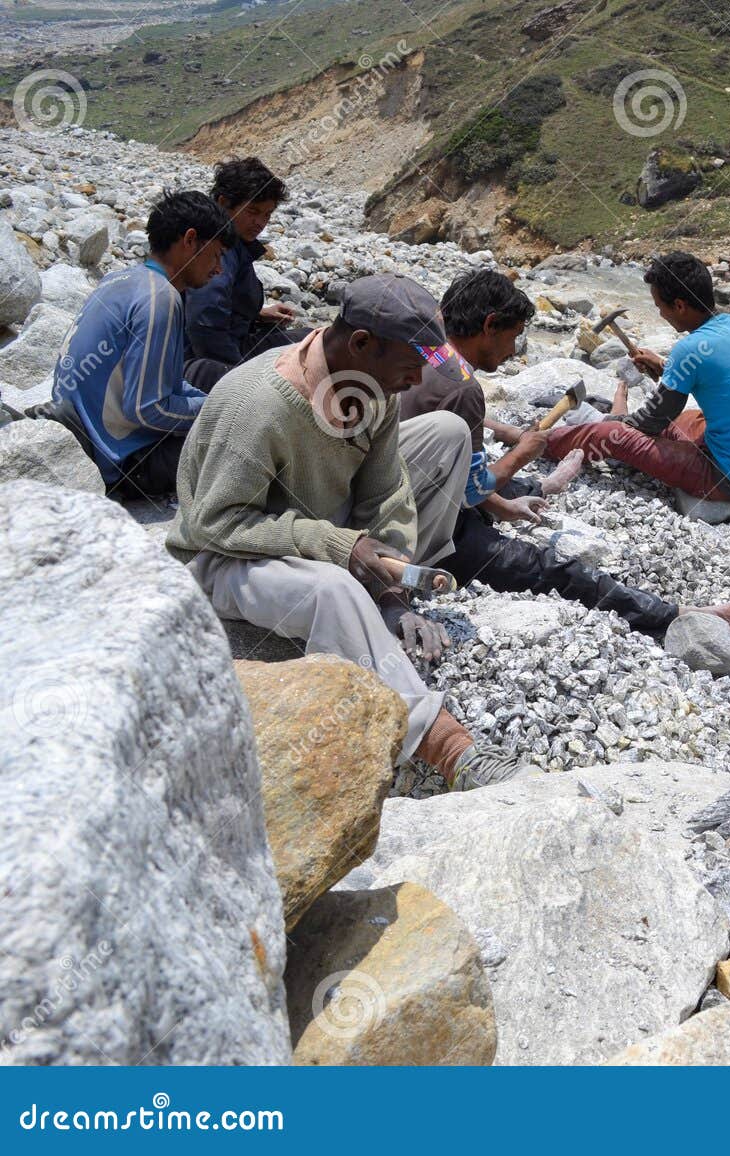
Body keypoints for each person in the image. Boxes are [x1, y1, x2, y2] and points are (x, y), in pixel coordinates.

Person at [168, 273, 528, 792]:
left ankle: (373, 597)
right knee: (333, 588)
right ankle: (450, 748)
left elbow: (386, 494)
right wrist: (340, 548)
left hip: (314, 532)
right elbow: (215, 522)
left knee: (445, 436)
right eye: (410, 367)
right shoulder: (260, 403)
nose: (414, 383)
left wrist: (391, 592)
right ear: (362, 342)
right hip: (224, 556)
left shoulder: (372, 388)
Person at [400, 269, 730, 634]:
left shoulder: (418, 357)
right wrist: (523, 452)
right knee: (553, 569)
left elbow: (456, 477)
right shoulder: (463, 389)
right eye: (515, 336)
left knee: (511, 488)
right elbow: (473, 490)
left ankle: (537, 490)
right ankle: (674, 614)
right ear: (490, 325)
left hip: (411, 498)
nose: (512, 351)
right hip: (431, 532)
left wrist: (505, 507)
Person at [537, 251, 730, 502]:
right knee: (689, 418)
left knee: (615, 435)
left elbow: (652, 422)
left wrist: (616, 422)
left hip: (729, 481)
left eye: (659, 307)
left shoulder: (690, 348)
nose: (660, 314)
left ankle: (535, 442)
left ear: (679, 305)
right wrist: (664, 365)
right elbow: (716, 369)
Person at [51, 189, 233, 496]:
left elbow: (166, 384)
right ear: (189, 241)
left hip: (81, 424)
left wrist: (213, 402)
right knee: (240, 442)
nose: (218, 269)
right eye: (216, 255)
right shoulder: (161, 298)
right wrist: (220, 412)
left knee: (215, 380)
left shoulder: (120, 279)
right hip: (120, 460)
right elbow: (147, 410)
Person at [184, 157, 307, 391]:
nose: (260, 222)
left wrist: (258, 313)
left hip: (233, 341)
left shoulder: (232, 242)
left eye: (267, 215)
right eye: (253, 211)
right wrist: (238, 377)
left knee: (312, 340)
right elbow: (204, 322)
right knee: (313, 348)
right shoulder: (219, 250)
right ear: (223, 203)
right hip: (210, 360)